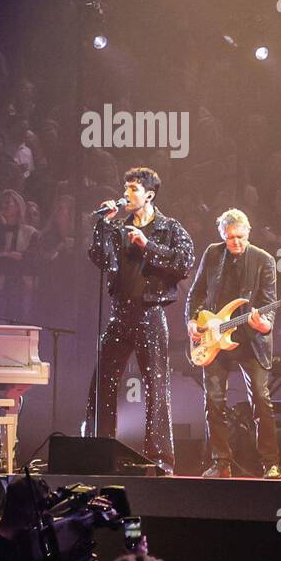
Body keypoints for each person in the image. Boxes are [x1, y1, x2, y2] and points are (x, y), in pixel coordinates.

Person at [86, 167, 195, 475]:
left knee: (156, 386)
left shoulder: (169, 227)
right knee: (102, 383)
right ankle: (99, 451)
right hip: (119, 314)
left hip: (150, 314)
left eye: (133, 189)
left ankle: (160, 460)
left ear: (149, 194)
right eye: (126, 187)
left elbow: (184, 263)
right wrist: (102, 225)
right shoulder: (117, 227)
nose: (127, 193)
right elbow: (99, 258)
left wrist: (148, 246)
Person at [186, 209, 281, 478]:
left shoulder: (264, 260)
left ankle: (271, 463)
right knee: (214, 400)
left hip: (250, 340)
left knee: (261, 399)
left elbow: (269, 302)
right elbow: (196, 294)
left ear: (248, 233)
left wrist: (265, 323)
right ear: (222, 236)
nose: (235, 242)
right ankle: (221, 462)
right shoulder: (213, 254)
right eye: (230, 238)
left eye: (240, 237)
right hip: (215, 338)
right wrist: (192, 322)